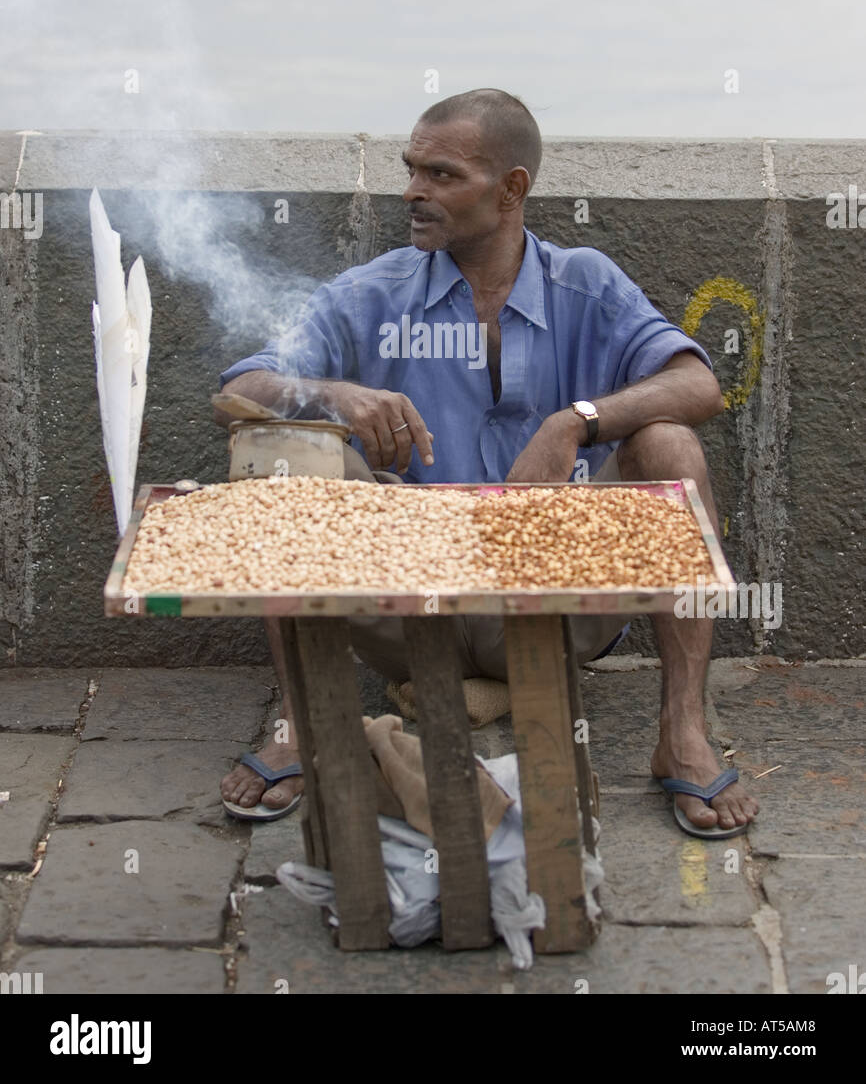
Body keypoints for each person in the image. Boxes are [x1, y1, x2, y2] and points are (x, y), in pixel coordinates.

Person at [217, 88, 759, 838]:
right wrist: (334, 395)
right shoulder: (373, 293)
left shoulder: (586, 282)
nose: (412, 192)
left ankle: (683, 729)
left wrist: (577, 421)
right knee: (280, 443)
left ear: (511, 190)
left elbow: (698, 383)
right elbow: (239, 392)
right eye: (411, 170)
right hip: (404, 610)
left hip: (556, 606)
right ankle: (300, 719)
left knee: (669, 445)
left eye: (441, 175)